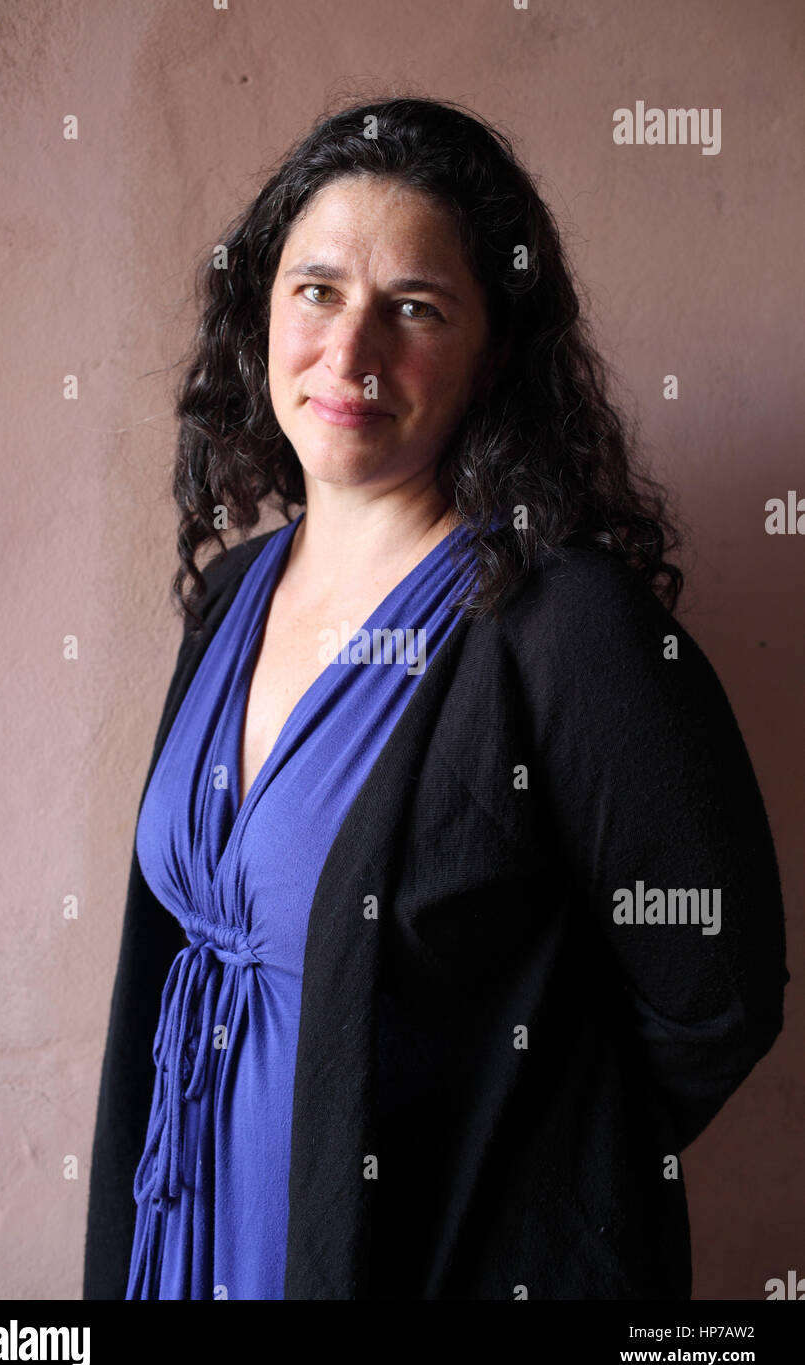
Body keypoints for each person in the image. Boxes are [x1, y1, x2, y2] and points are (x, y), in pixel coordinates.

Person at [83, 96, 788, 1301]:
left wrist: (511, 1185)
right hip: (186, 1240)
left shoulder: (564, 624)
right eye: (315, 290)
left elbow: (712, 995)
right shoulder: (235, 594)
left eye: (413, 308)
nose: (350, 353)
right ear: (262, 310)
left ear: (493, 350)